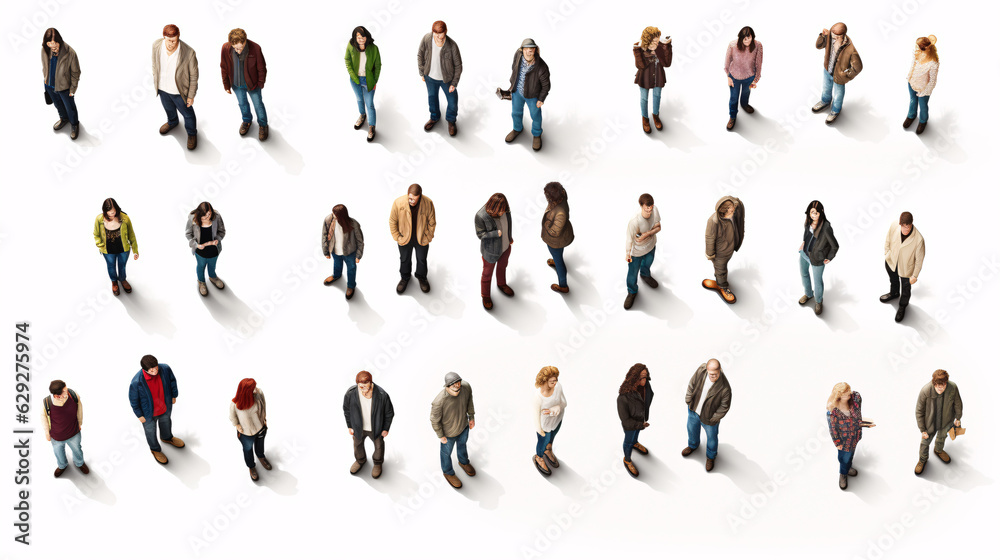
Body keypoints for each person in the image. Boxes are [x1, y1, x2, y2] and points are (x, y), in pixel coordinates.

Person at [128, 355, 183, 465]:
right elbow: (133, 400)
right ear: (145, 369)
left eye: (156, 367)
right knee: (150, 431)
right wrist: (139, 415)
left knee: (166, 422)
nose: (155, 371)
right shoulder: (136, 382)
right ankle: (155, 449)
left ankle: (167, 437)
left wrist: (174, 395)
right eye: (151, 369)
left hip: (164, 407)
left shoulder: (165, 369)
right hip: (148, 414)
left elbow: (172, 381)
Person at [153, 24, 199, 150]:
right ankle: (172, 122)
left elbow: (194, 76)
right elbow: (154, 64)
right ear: (164, 37)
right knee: (168, 108)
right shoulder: (156, 45)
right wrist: (155, 81)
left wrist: (191, 96)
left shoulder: (189, 53)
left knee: (188, 115)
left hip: (179, 92)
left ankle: (192, 133)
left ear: (178, 37)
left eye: (174, 40)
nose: (171, 43)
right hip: (162, 88)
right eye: (168, 40)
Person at [681, 359, 732, 472]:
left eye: (716, 374)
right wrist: (688, 399)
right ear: (707, 370)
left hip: (709, 419)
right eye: (711, 374)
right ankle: (693, 445)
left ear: (720, 370)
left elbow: (724, 407)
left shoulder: (725, 387)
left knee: (712, 439)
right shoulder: (701, 370)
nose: (713, 376)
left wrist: (714, 419)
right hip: (693, 410)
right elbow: (692, 383)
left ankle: (711, 457)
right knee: (691, 429)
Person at [343, 371, 394, 479]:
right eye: (360, 386)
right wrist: (350, 425)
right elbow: (346, 409)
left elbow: (389, 412)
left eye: (365, 385)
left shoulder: (382, 395)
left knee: (379, 446)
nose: (362, 389)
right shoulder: (351, 393)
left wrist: (385, 428)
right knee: (357, 445)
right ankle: (360, 460)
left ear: (370, 383)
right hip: (358, 428)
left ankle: (377, 463)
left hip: (376, 428)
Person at [220, 28, 268, 140]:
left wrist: (260, 83)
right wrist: (226, 85)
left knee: (258, 105)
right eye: (235, 48)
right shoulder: (225, 48)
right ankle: (247, 121)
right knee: (242, 104)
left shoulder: (256, 48)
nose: (238, 51)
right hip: (236, 84)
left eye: (240, 47)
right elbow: (224, 67)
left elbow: (262, 68)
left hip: (253, 85)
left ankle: (263, 125)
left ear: (245, 41)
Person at [431, 372, 476, 489]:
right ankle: (448, 472)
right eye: (454, 384)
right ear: (447, 386)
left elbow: (469, 401)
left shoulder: (465, 387)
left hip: (463, 426)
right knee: (446, 454)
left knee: (462, 445)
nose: (457, 386)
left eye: (458, 382)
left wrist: (471, 417)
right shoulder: (439, 401)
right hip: (448, 433)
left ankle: (463, 461)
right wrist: (440, 435)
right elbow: (434, 420)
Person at [417, 20, 462, 136]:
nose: (440, 40)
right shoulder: (427, 39)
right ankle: (434, 117)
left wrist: (454, 83)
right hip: (430, 78)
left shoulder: (452, 46)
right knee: (432, 99)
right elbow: (420, 54)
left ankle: (451, 121)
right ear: (433, 33)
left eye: (442, 37)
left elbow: (458, 66)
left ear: (445, 32)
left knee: (452, 101)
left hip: (447, 80)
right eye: (437, 37)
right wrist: (422, 73)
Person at [389, 184, 436, 295]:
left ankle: (421, 277)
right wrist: (397, 237)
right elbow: (392, 221)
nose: (412, 201)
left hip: (421, 239)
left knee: (422, 259)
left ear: (420, 196)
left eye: (415, 199)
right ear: (407, 194)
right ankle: (405, 278)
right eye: (410, 198)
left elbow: (432, 222)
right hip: (404, 238)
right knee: (404, 259)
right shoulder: (398, 202)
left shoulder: (428, 203)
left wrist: (428, 237)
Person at [504, 38, 550, 151]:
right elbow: (513, 68)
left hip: (533, 95)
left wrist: (541, 99)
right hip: (517, 92)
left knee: (536, 116)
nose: (529, 51)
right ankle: (517, 128)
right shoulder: (518, 55)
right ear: (522, 50)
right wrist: (512, 84)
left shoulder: (541, 66)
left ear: (535, 50)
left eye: (532, 49)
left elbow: (546, 85)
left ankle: (537, 134)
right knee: (515, 112)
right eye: (526, 49)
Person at [811, 22, 862, 124]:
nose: (832, 39)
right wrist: (822, 36)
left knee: (838, 95)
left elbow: (858, 67)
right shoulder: (830, 37)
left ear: (841, 37)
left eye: (835, 37)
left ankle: (835, 110)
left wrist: (846, 75)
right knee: (826, 89)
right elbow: (818, 46)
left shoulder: (850, 48)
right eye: (832, 36)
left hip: (839, 76)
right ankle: (825, 102)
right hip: (827, 70)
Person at [914, 369, 963, 475]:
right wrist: (922, 429)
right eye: (937, 385)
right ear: (934, 383)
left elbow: (958, 403)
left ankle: (938, 450)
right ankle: (922, 460)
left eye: (943, 384)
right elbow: (919, 411)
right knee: (924, 443)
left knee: (942, 437)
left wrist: (958, 418)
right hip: (929, 424)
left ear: (946, 382)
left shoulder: (953, 387)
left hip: (946, 421)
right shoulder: (925, 391)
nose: (940, 387)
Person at [826, 382, 872, 490]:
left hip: (854, 436)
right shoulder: (833, 410)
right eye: (846, 393)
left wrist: (862, 423)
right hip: (843, 440)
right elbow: (832, 428)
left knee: (851, 455)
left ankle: (848, 467)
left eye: (849, 391)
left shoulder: (855, 397)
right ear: (839, 396)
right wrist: (837, 442)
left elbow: (857, 414)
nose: (850, 394)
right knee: (844, 458)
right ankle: (843, 473)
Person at [880, 211, 925, 322]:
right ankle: (894, 293)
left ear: (911, 224)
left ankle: (903, 305)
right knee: (893, 280)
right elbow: (888, 239)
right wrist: (887, 253)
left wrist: (915, 275)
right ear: (900, 224)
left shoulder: (919, 240)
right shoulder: (894, 225)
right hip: (892, 261)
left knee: (906, 289)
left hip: (906, 269)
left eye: (908, 227)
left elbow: (919, 260)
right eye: (904, 227)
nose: (906, 230)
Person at [798, 200, 839, 316]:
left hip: (817, 259)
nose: (814, 215)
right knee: (804, 273)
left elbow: (835, 245)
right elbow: (806, 234)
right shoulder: (808, 222)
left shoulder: (826, 228)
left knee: (817, 282)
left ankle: (818, 301)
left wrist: (829, 257)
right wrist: (803, 243)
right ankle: (808, 294)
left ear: (821, 212)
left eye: (816, 213)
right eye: (812, 212)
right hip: (805, 254)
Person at [475, 193, 515, 310]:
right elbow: (480, 234)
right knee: (487, 275)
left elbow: (509, 223)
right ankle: (485, 295)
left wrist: (509, 237)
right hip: (490, 251)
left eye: (503, 210)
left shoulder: (505, 210)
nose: (502, 213)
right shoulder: (480, 216)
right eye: (499, 212)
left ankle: (501, 284)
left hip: (505, 247)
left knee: (503, 267)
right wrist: (494, 234)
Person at [702, 196, 745, 304]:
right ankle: (722, 286)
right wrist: (710, 254)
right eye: (731, 210)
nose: (733, 210)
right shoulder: (713, 221)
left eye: (733, 208)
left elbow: (737, 203)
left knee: (720, 268)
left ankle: (718, 279)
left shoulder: (732, 213)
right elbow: (709, 238)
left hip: (729, 249)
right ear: (724, 211)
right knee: (721, 270)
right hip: (720, 253)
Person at [41, 380, 88, 477]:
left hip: (74, 433)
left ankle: (79, 463)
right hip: (56, 436)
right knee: (58, 452)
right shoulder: (47, 402)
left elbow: (79, 407)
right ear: (57, 396)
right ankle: (62, 466)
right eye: (65, 390)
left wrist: (80, 422)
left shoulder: (73, 395)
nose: (68, 391)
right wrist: (47, 433)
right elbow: (43, 417)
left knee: (77, 450)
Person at [93, 198, 139, 296]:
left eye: (113, 212)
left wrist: (135, 250)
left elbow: (131, 234)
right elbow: (96, 234)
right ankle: (114, 281)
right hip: (108, 250)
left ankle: (122, 280)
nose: (112, 215)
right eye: (109, 213)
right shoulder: (99, 219)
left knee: (122, 266)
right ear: (105, 211)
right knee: (111, 266)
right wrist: (100, 245)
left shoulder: (125, 218)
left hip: (123, 249)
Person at [41, 28, 81, 140]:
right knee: (58, 105)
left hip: (64, 87)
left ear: (59, 40)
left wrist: (73, 90)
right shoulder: (44, 50)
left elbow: (75, 73)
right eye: (49, 44)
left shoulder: (70, 53)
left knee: (70, 108)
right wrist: (45, 80)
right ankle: (64, 118)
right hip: (49, 85)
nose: (52, 47)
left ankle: (74, 124)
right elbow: (44, 66)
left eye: (54, 44)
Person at [624, 193, 661, 310]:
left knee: (648, 263)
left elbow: (659, 227)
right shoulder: (634, 222)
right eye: (646, 209)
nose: (649, 212)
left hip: (650, 246)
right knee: (632, 273)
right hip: (636, 252)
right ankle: (632, 291)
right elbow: (629, 239)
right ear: (641, 206)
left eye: (650, 209)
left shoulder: (655, 210)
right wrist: (627, 254)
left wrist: (647, 234)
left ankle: (645, 275)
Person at [229, 378, 271, 481]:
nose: (256, 389)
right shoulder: (235, 404)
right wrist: (237, 425)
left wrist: (264, 418)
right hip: (246, 433)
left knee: (260, 444)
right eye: (253, 388)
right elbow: (232, 416)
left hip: (260, 428)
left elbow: (263, 405)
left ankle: (261, 456)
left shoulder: (259, 393)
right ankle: (251, 466)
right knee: (247, 450)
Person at [633, 26, 672, 133]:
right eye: (654, 41)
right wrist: (637, 50)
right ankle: (645, 118)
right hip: (644, 78)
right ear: (648, 40)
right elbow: (640, 65)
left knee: (657, 95)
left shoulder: (660, 47)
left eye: (658, 41)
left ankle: (656, 115)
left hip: (658, 76)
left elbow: (667, 64)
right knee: (644, 98)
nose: (656, 44)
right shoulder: (640, 49)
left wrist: (667, 46)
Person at [345, 26, 381, 142]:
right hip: (355, 79)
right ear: (355, 38)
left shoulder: (373, 48)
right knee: (359, 99)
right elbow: (347, 60)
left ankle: (371, 126)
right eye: (358, 37)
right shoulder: (351, 46)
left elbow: (378, 65)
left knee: (369, 104)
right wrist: (353, 75)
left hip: (368, 80)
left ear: (367, 37)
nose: (361, 39)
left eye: (363, 37)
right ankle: (362, 115)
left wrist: (374, 80)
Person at [322, 204, 365, 300]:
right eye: (333, 213)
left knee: (351, 269)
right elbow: (324, 235)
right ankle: (336, 275)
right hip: (334, 250)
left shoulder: (354, 224)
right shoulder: (329, 220)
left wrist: (358, 255)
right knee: (337, 264)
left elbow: (360, 241)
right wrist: (326, 251)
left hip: (350, 252)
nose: (332, 216)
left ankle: (351, 285)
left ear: (342, 216)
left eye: (335, 215)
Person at [724, 26, 763, 130]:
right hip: (734, 77)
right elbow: (727, 63)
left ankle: (744, 104)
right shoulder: (732, 45)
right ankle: (732, 116)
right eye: (744, 39)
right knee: (733, 98)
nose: (747, 41)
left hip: (749, 76)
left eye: (749, 38)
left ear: (752, 37)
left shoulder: (758, 45)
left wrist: (756, 79)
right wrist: (728, 76)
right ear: (740, 38)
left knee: (746, 93)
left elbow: (759, 63)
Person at [618, 364, 652, 478]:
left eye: (646, 377)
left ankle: (635, 443)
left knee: (636, 435)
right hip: (631, 425)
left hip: (640, 420)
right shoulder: (623, 397)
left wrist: (641, 423)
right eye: (642, 377)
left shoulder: (645, 388)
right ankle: (627, 460)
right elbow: (625, 420)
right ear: (634, 378)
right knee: (628, 441)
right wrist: (640, 424)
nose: (645, 380)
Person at [185, 201, 226, 297]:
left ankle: (212, 277)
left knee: (212, 265)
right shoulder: (193, 218)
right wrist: (195, 244)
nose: (208, 217)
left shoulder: (217, 217)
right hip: (200, 251)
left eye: (209, 214)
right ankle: (201, 282)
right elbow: (188, 234)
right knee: (201, 266)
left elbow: (222, 231)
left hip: (214, 250)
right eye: (204, 216)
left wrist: (217, 240)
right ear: (199, 215)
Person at [532, 366, 567, 476]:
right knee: (543, 442)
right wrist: (539, 429)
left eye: (556, 380)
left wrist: (555, 409)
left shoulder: (558, 387)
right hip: (545, 426)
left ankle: (548, 449)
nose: (555, 383)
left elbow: (564, 403)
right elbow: (535, 415)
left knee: (552, 437)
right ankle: (539, 457)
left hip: (557, 420)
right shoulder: (538, 397)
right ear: (545, 381)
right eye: (552, 381)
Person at [541, 182, 574, 294]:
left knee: (559, 262)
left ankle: (563, 286)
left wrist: (546, 224)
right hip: (562, 237)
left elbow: (554, 232)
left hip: (555, 241)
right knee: (558, 255)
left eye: (547, 195)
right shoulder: (562, 195)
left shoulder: (560, 213)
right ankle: (556, 259)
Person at [904, 35, 938, 135]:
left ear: (928, 47)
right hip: (912, 83)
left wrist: (925, 92)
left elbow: (932, 80)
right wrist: (909, 78)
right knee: (912, 101)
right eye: (918, 46)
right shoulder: (917, 54)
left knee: (923, 106)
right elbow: (913, 66)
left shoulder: (933, 63)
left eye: (922, 47)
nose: (919, 48)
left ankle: (923, 121)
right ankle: (911, 115)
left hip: (923, 89)